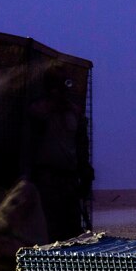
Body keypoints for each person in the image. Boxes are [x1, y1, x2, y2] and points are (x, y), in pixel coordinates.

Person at [26, 65, 93, 240]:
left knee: (71, 229)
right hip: (46, 179)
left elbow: (81, 146)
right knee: (49, 228)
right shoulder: (39, 111)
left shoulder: (73, 113)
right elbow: (30, 144)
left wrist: (85, 174)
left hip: (68, 180)